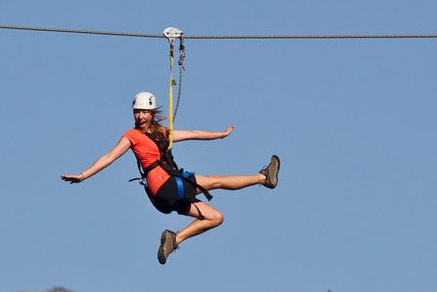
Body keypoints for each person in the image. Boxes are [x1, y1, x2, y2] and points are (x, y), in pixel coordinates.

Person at [62, 92, 279, 264]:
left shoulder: (162, 133)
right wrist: (83, 175)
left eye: (145, 112)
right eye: (137, 112)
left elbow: (193, 133)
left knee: (215, 217)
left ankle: (175, 239)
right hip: (164, 186)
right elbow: (109, 156)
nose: (140, 116)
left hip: (166, 194)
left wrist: (219, 135)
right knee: (214, 180)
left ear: (152, 114)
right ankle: (263, 178)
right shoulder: (132, 136)